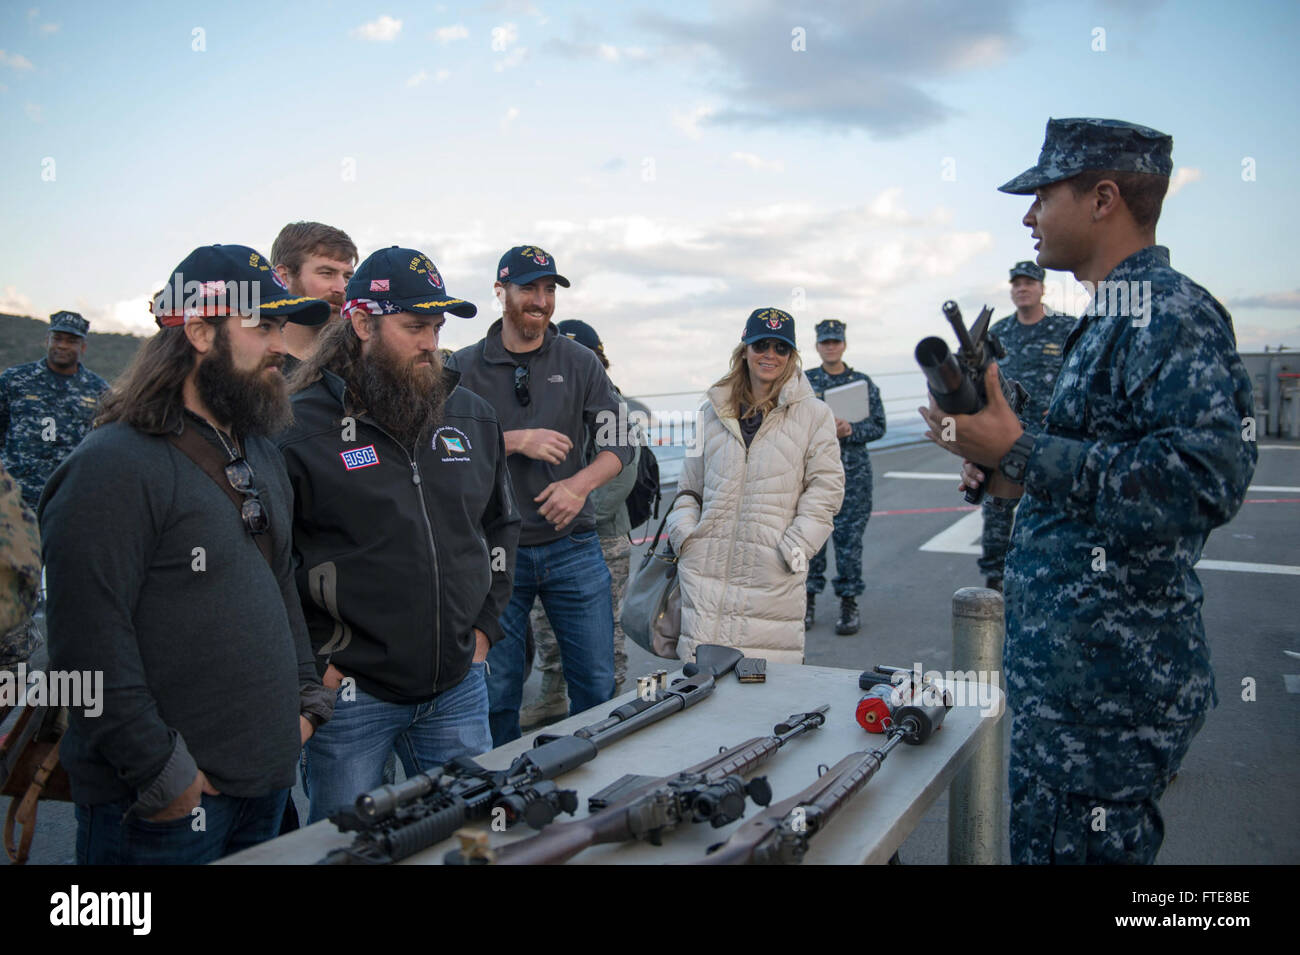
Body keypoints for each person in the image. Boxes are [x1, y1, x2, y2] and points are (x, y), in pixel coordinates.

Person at [919, 118, 1257, 864]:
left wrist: (1022, 447)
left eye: (1043, 195)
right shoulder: (1109, 318)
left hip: (1108, 696)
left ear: (1103, 198)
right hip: (1068, 687)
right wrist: (1000, 463)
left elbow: (1205, 479)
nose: (1028, 215)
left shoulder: (1167, 312)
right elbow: (1093, 475)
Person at [38, 244, 335, 864]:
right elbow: (86, 645)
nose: (280, 345)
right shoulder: (112, 466)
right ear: (200, 329)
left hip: (266, 784)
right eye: (263, 325)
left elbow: (280, 579)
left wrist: (306, 703)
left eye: (283, 326)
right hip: (163, 809)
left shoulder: (261, 452)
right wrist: (163, 774)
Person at [279, 246, 519, 822]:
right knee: (347, 843)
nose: (430, 343)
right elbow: (270, 561)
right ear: (362, 323)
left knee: (470, 832)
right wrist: (314, 662)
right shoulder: (296, 425)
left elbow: (501, 525)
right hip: (352, 694)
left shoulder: (471, 415)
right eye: (414, 327)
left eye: (436, 327)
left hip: (459, 684)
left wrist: (485, 626)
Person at [450, 246, 634, 745]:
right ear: (500, 292)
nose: (541, 300)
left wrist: (581, 485)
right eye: (529, 288)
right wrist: (512, 440)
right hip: (493, 553)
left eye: (549, 289)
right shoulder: (462, 368)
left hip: (572, 546)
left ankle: (596, 788)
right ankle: (504, 796)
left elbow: (621, 440)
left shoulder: (579, 360)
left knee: (596, 681)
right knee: (498, 689)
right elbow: (434, 448)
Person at [666, 308, 843, 664]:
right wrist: (685, 536)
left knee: (764, 695)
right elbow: (689, 487)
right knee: (700, 691)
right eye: (761, 344)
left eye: (781, 348)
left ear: (792, 357)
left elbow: (826, 491)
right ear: (744, 349)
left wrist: (794, 549)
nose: (770, 355)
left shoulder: (815, 415)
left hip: (772, 575)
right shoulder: (709, 412)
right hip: (705, 573)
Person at [520, 319, 640, 726]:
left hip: (599, 535)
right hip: (554, 535)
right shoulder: (553, 400)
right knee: (548, 628)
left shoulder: (612, 404)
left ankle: (611, 709)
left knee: (604, 633)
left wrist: (578, 511)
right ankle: (553, 697)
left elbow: (622, 472)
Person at [977, 262, 1075, 591]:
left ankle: (1047, 577)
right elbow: (983, 381)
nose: (1022, 288)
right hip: (1004, 436)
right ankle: (994, 579)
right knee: (996, 509)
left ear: (1042, 288)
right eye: (1017, 283)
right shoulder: (997, 334)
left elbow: (1081, 376)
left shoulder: (1066, 328)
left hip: (1049, 436)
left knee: (1049, 508)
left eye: (1029, 282)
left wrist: (1066, 408)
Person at [803, 319, 887, 635]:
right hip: (812, 473)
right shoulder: (804, 382)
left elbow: (879, 426)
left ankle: (849, 604)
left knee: (849, 542)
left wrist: (850, 429)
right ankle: (807, 602)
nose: (830, 346)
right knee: (812, 540)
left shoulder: (862, 383)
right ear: (818, 345)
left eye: (835, 341)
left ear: (844, 344)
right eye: (825, 342)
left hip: (853, 475)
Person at [270, 221, 359, 376]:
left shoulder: (360, 369)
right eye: (326, 273)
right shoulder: (256, 370)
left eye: (347, 277)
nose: (341, 288)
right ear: (284, 277)